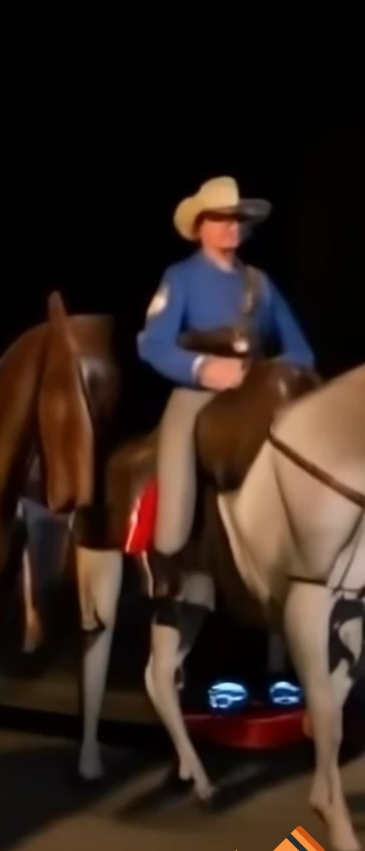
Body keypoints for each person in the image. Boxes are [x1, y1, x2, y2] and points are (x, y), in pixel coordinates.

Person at [137, 176, 315, 576]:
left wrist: (267, 371)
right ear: (200, 226)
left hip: (254, 388)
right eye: (220, 218)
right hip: (198, 390)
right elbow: (153, 344)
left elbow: (300, 349)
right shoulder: (179, 277)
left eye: (236, 218)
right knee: (178, 435)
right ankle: (169, 551)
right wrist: (203, 368)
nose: (230, 226)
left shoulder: (259, 283)